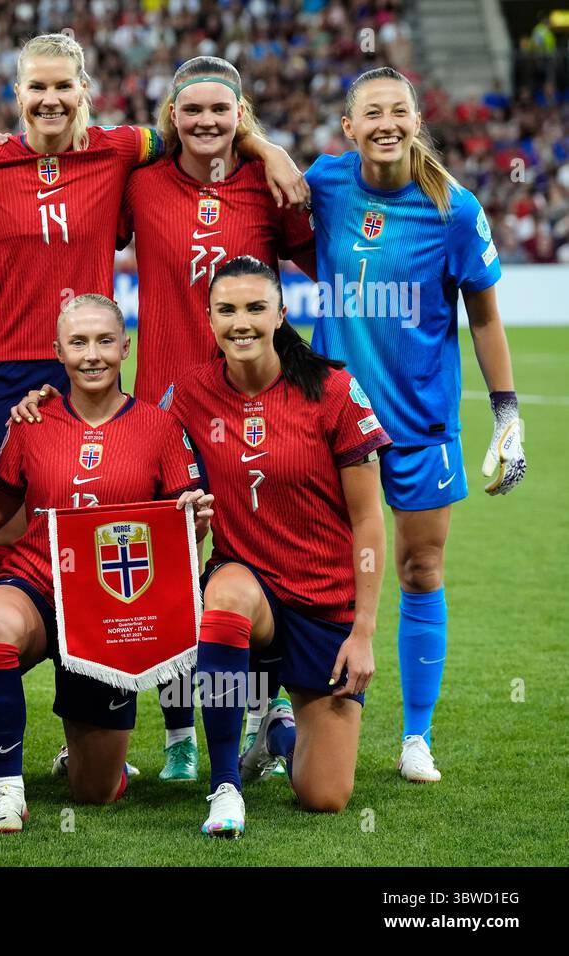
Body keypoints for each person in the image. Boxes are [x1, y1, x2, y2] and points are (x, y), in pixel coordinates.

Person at [0, 34, 304, 786]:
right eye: (36, 88)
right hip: (7, 371)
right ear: (15, 95)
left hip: (90, 360)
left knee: (147, 543)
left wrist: (265, 145)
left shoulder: (122, 150)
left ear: (85, 91)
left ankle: (185, 725)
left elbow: (195, 117)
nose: (50, 99)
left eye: (63, 87)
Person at [307, 67, 526, 783]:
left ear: (416, 119)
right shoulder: (327, 186)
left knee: (419, 569)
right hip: (336, 428)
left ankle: (416, 739)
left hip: (422, 424)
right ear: (348, 126)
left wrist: (507, 415)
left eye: (398, 110)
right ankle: (294, 725)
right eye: (371, 112)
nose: (386, 123)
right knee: (320, 577)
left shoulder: (453, 210)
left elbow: (486, 320)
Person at [116, 55, 319, 782]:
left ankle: (267, 708)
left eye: (220, 110)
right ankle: (178, 737)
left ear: (241, 115)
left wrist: (272, 153)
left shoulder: (266, 186)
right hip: (166, 409)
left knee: (254, 557)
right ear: (171, 116)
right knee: (172, 571)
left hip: (251, 407)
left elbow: (323, 262)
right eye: (191, 109)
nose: (205, 122)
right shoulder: (139, 183)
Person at [0, 293, 209, 832]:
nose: (92, 354)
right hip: (38, 580)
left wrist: (198, 520)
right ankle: (6, 788)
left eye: (103, 341)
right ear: (58, 351)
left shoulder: (160, 427)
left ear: (125, 346)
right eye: (78, 342)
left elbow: (181, 531)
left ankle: (85, 757)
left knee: (96, 793)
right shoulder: (30, 421)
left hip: (110, 608)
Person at [168, 256, 388, 836]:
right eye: (227, 310)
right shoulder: (190, 394)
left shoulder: (335, 391)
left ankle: (278, 733)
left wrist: (362, 631)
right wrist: (42, 405)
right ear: (210, 317)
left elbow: (368, 521)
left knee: (324, 796)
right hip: (250, 585)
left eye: (255, 308)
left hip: (325, 601)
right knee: (225, 598)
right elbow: (128, 434)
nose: (241, 322)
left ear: (282, 314)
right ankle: (224, 788)